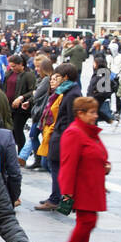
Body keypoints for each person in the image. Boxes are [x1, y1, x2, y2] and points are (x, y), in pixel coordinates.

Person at [58, 97, 108, 242]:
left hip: (92, 185)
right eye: (92, 112)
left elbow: (98, 154)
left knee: (87, 221)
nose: (96, 116)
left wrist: (105, 165)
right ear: (80, 113)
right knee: (88, 221)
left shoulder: (89, 132)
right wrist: (67, 192)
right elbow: (68, 164)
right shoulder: (74, 133)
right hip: (82, 187)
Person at [36, 63, 82, 211]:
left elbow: (71, 119)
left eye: (58, 77)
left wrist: (63, 133)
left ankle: (57, 198)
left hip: (62, 136)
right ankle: (58, 195)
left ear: (66, 77)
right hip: (59, 134)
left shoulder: (73, 93)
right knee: (51, 165)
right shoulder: (66, 91)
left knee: (54, 166)